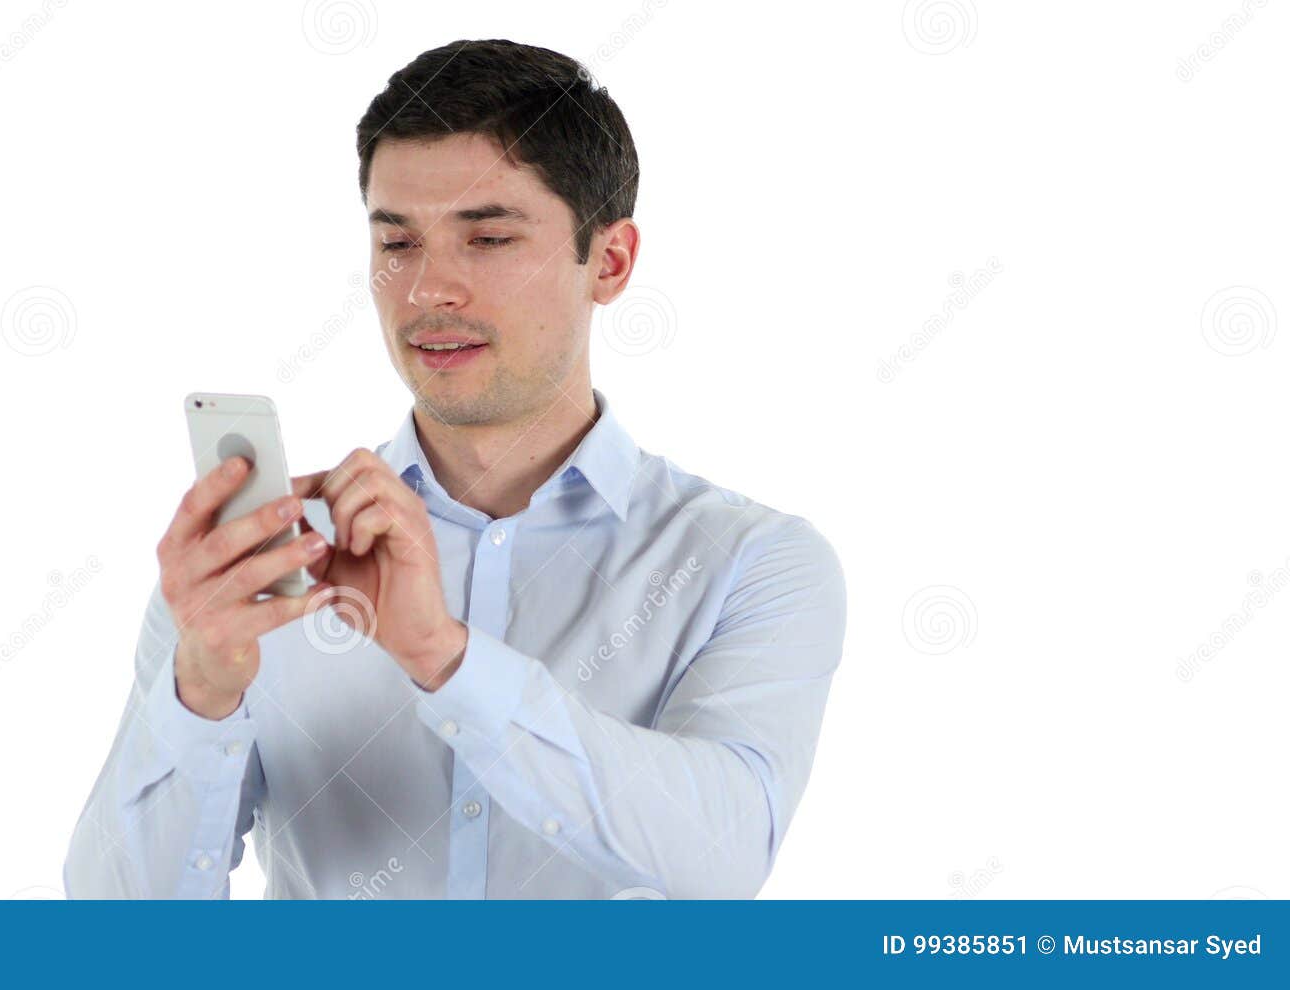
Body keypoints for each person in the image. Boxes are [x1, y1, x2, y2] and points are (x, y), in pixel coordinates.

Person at [64, 38, 846, 899]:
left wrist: (443, 658)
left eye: (488, 238)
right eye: (398, 242)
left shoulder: (749, 563)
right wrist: (201, 688)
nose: (429, 289)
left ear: (611, 262)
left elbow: (721, 858)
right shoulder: (252, 569)